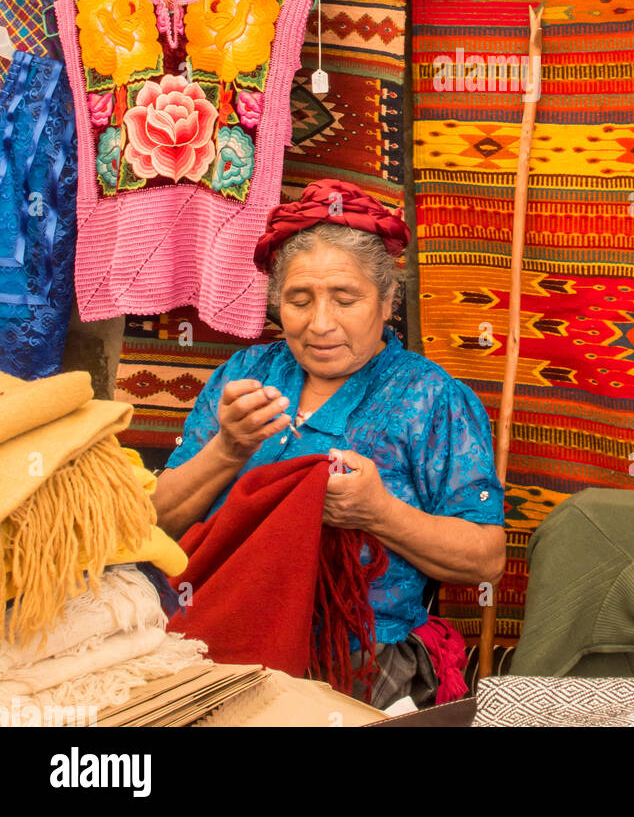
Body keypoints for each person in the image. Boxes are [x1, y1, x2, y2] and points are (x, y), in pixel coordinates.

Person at [152, 180, 506, 708]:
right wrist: (227, 450)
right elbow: (151, 527)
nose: (320, 324)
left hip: (358, 653)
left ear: (387, 301)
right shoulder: (247, 376)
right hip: (214, 631)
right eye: (299, 300)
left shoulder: (428, 399)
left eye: (346, 299)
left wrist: (378, 512)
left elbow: (485, 560)